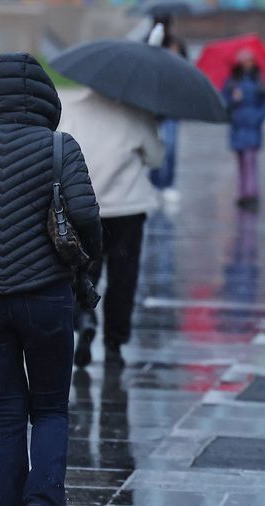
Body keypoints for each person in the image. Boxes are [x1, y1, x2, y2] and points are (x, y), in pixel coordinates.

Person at [0, 53, 101, 506]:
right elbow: (85, 216)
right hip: (45, 296)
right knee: (50, 408)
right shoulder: (60, 147)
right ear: (45, 95)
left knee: (5, 415)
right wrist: (89, 263)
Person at [59, 89, 165, 368]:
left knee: (82, 272)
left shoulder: (72, 108)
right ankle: (114, 342)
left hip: (82, 207)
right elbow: (156, 159)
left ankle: (83, 320)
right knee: (123, 279)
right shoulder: (136, 113)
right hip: (127, 209)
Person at [222, 50, 265, 208]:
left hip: (252, 124)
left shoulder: (258, 81)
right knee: (241, 161)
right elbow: (224, 101)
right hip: (238, 125)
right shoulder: (232, 82)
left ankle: (251, 192)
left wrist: (259, 116)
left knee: (250, 160)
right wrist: (233, 100)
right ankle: (243, 192)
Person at [148, 15, 188, 205]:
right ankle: (154, 184)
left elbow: (187, 72)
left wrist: (176, 57)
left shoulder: (177, 44)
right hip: (153, 106)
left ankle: (168, 184)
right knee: (154, 148)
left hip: (171, 106)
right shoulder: (148, 43)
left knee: (170, 147)